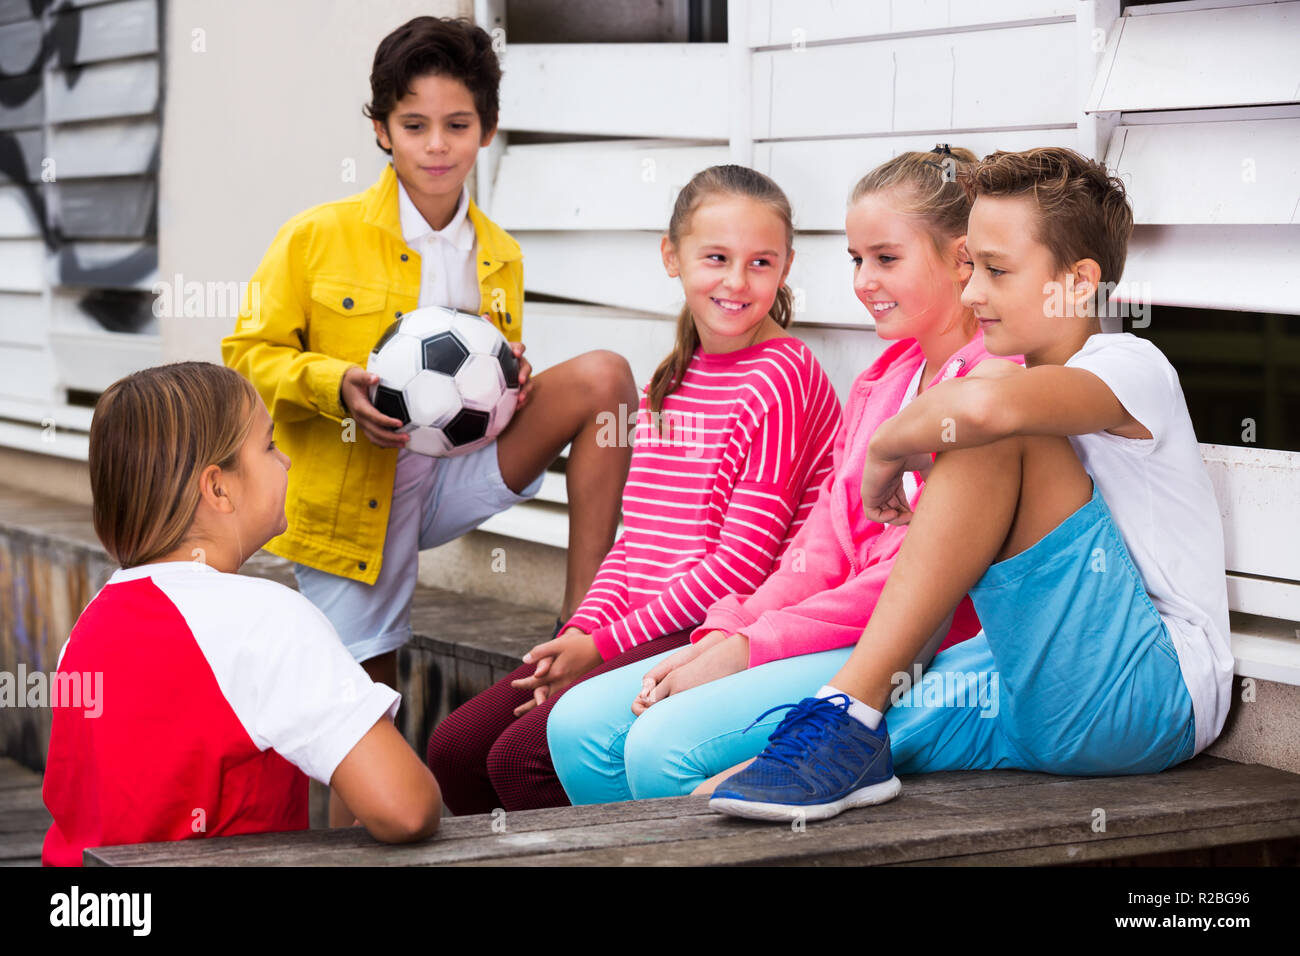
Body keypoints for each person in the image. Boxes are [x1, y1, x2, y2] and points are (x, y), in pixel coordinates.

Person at [710, 146, 1232, 822]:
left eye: (996, 271)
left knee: (992, 426)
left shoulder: (1132, 366)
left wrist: (886, 447)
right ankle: (845, 726)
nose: (973, 292)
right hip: (1022, 681)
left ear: (1077, 282)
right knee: (735, 788)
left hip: (1145, 691)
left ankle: (847, 708)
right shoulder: (993, 378)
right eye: (969, 267)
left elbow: (989, 415)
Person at [221, 17, 637, 826]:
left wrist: (514, 379)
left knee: (605, 379)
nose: (436, 146)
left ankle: (583, 627)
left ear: (485, 129)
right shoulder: (317, 237)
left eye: (457, 125)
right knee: (362, 711)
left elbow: (483, 385)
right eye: (414, 126)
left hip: (453, 476)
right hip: (353, 500)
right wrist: (335, 384)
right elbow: (245, 354)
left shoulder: (500, 253)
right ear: (380, 129)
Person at [548, 147, 1017, 804]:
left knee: (662, 745)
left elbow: (912, 581)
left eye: (886, 258)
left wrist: (748, 647)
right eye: (857, 260)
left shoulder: (993, 384)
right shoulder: (882, 382)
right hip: (828, 626)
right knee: (574, 726)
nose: (864, 282)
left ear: (961, 258)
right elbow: (819, 548)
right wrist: (726, 631)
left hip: (917, 650)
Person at [425, 164, 842, 813]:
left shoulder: (783, 377)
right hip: (641, 621)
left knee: (518, 758)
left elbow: (739, 567)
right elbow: (637, 544)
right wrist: (580, 637)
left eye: (761, 262)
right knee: (454, 746)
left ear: (787, 266)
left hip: (716, 630)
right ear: (671, 258)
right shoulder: (667, 382)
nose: (736, 281)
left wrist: (597, 651)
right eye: (716, 258)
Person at [42, 363, 441, 866]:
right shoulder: (265, 617)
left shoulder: (87, 629)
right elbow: (406, 809)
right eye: (270, 445)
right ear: (218, 489)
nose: (288, 461)